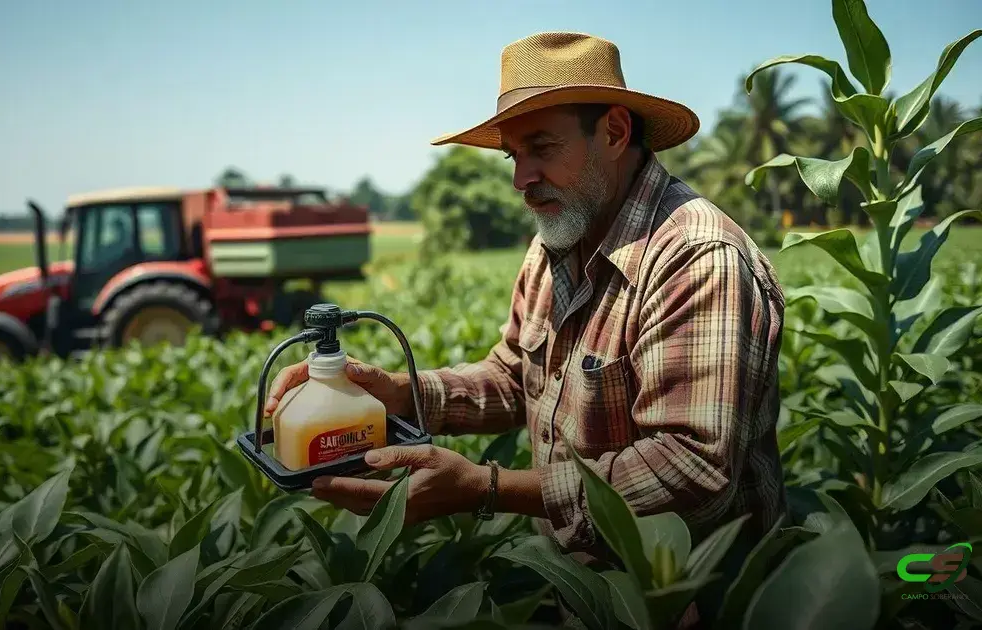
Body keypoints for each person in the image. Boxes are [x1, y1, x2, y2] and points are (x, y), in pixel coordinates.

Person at [265, 31, 787, 626]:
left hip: (691, 602)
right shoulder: (555, 243)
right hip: (586, 596)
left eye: (541, 146)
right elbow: (515, 374)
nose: (521, 178)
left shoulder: (697, 258)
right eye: (513, 154)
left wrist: (487, 487)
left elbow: (691, 468)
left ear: (614, 133)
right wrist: (400, 394)